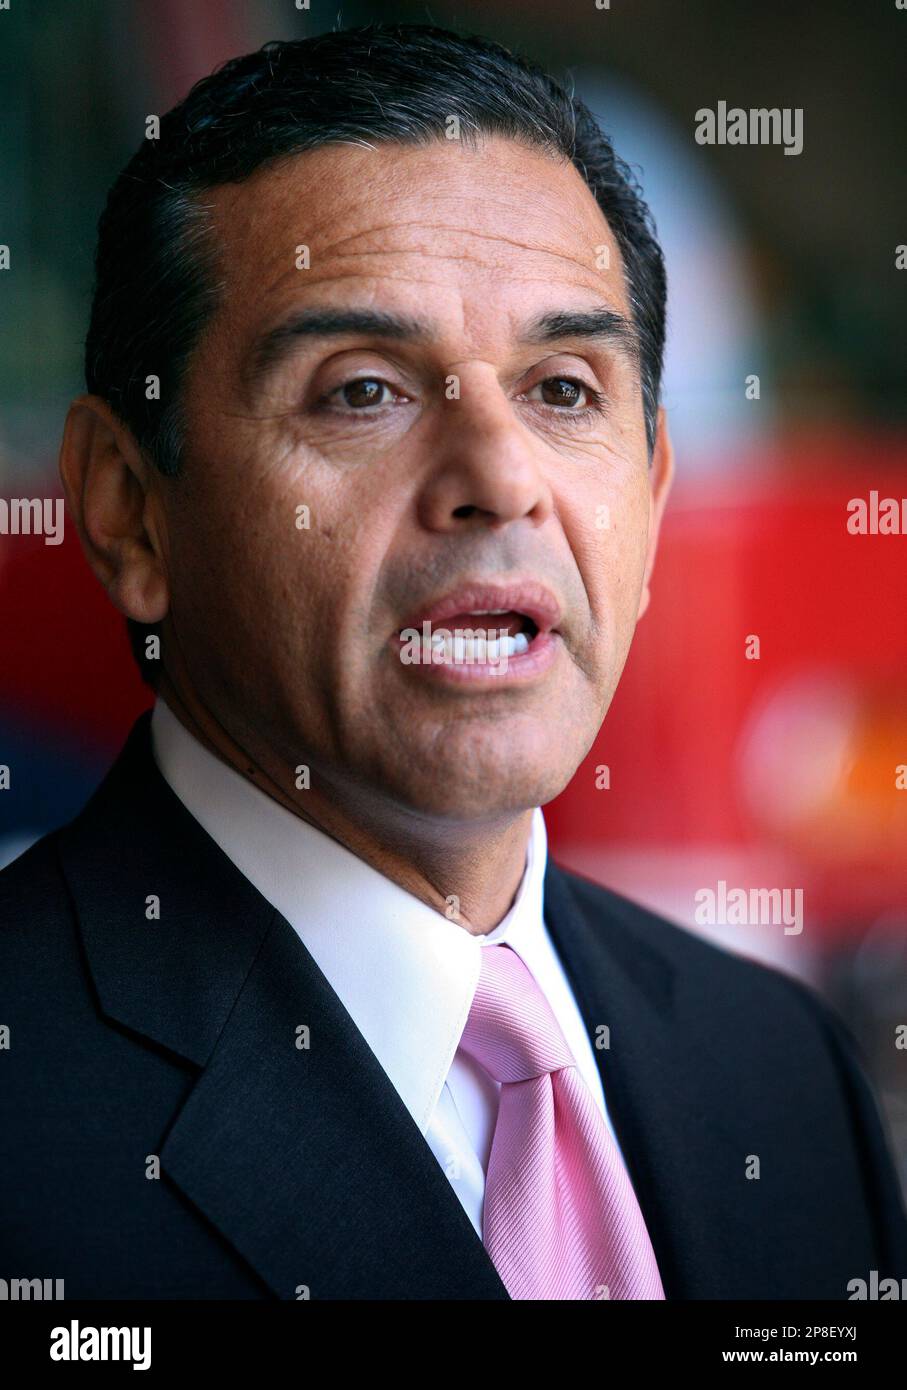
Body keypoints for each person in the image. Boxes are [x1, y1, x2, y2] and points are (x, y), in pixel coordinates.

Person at [2, 24, 905, 1301]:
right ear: (129, 512)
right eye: (363, 390)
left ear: (651, 495)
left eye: (563, 390)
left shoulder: (781, 1073)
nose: (499, 480)